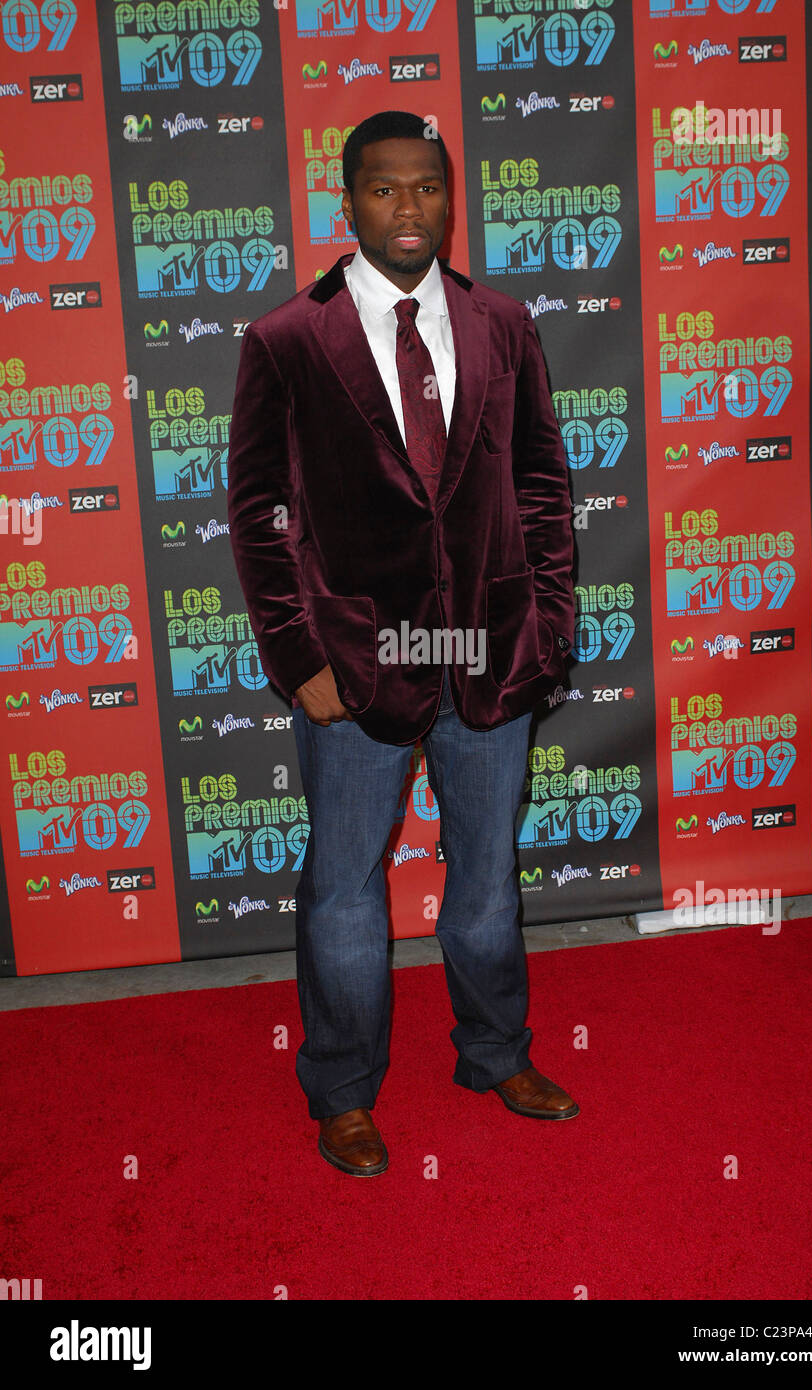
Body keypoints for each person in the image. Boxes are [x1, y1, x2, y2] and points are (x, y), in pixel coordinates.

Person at [227, 110, 578, 1177]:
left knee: (484, 876)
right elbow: (255, 514)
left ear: (447, 196)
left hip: (491, 654)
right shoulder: (288, 339)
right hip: (355, 664)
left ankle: (492, 1052)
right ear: (350, 200)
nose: (410, 208)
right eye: (386, 189)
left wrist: (545, 629)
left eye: (427, 187)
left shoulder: (503, 322)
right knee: (342, 888)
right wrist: (299, 661)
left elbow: (541, 486)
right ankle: (340, 1090)